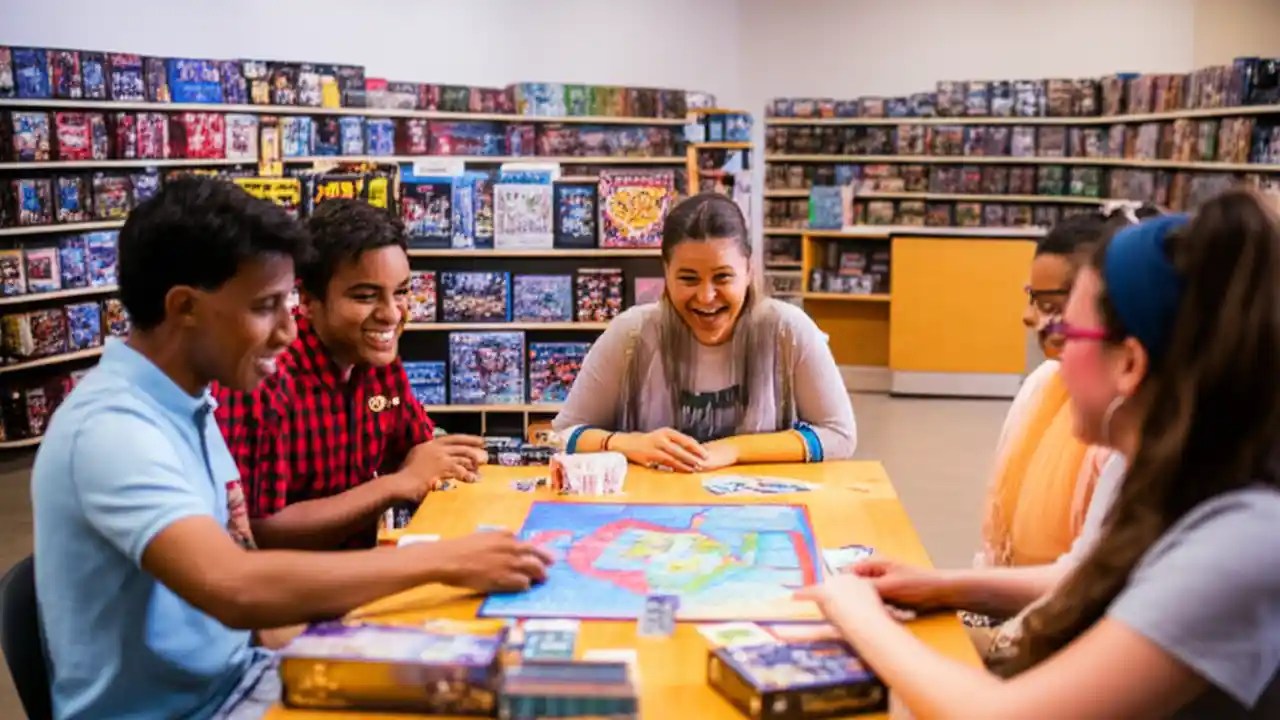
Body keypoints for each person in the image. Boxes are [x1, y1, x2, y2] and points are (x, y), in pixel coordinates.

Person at [31, 178, 551, 720]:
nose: (286, 332)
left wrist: (360, 641)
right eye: (266, 307)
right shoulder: (113, 430)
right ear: (184, 306)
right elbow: (234, 586)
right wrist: (445, 560)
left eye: (289, 305)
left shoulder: (189, 403)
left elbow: (250, 599)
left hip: (249, 674)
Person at [799, 191, 1280, 718]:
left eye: (1069, 330)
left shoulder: (1242, 540)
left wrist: (856, 614)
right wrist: (938, 588)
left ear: (1130, 363)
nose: (1049, 350)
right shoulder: (1183, 474)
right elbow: (1086, 577)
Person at [214, 199, 487, 550]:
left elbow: (418, 449)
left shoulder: (376, 359)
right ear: (308, 301)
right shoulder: (264, 378)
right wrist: (395, 484)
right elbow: (258, 528)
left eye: (401, 292)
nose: (391, 314)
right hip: (287, 592)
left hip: (357, 576)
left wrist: (444, 459)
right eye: (365, 296)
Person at [553, 193, 855, 471]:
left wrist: (734, 449)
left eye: (723, 277)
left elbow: (839, 435)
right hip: (653, 514)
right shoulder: (631, 334)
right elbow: (559, 435)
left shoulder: (788, 331)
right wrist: (627, 444)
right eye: (688, 279)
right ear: (666, 274)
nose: (706, 296)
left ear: (749, 272)